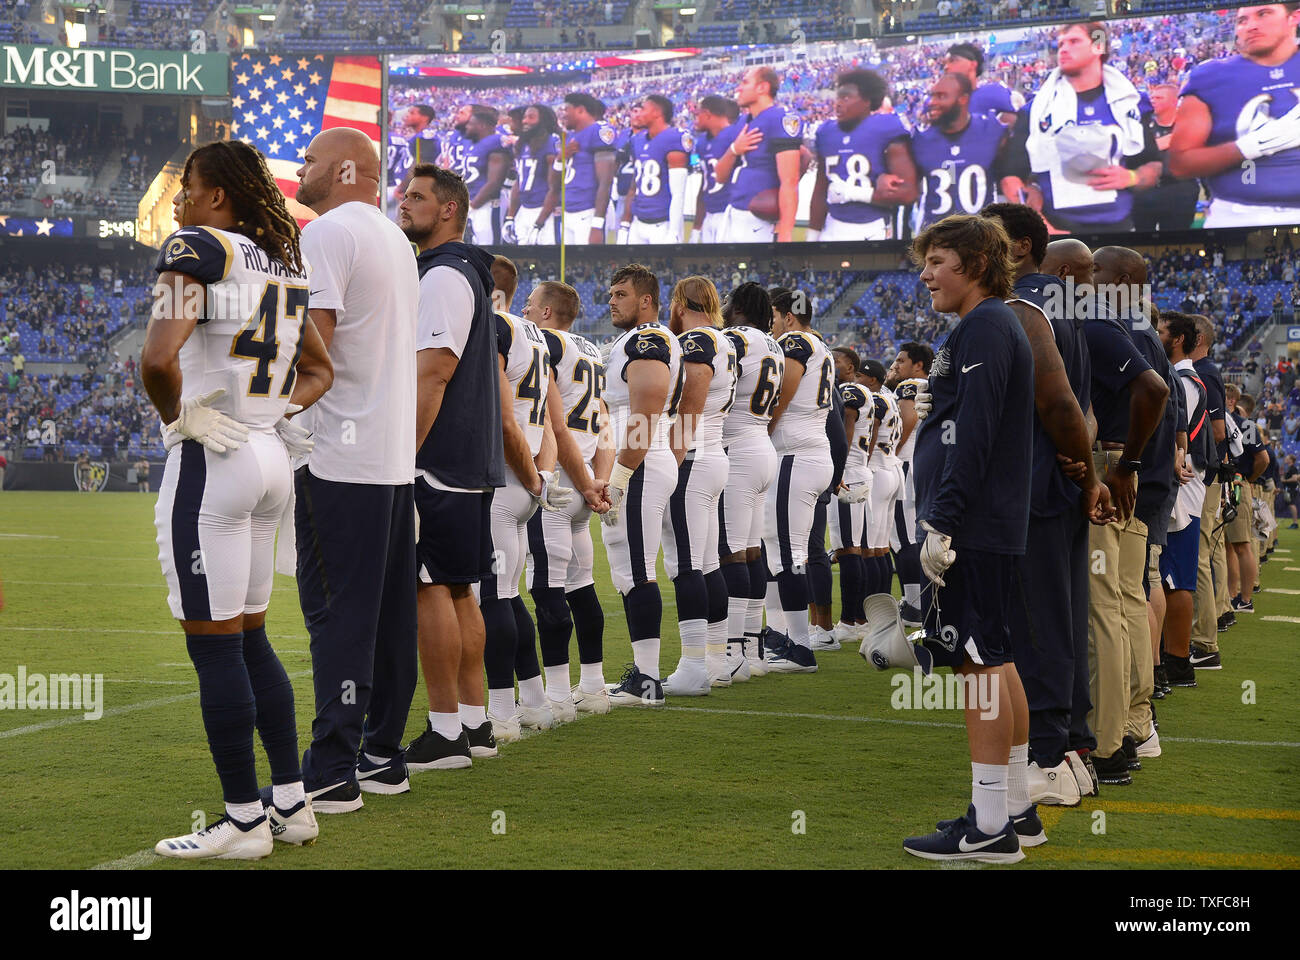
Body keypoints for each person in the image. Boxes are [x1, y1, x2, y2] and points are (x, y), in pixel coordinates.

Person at [143, 140, 334, 858]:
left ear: (216, 195)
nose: (179, 202)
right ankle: (291, 802)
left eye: (187, 186)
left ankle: (244, 820)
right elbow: (321, 369)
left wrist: (178, 414)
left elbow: (159, 358)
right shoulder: (283, 261)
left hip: (212, 458)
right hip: (265, 456)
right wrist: (275, 414)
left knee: (216, 648)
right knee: (251, 637)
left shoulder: (197, 244)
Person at [874, 214, 1037, 863]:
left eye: (936, 260)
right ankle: (1014, 810)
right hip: (986, 520)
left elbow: (972, 433)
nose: (924, 274)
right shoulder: (988, 326)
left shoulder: (985, 326)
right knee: (992, 657)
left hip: (974, 524)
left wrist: (943, 520)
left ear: (972, 262)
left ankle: (991, 824)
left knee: (979, 666)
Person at [289, 128, 421, 809]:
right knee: (389, 616)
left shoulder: (328, 234)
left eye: (309, 159)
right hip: (391, 458)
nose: (300, 169)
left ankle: (334, 769)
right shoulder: (394, 239)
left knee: (338, 616)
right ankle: (381, 753)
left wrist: (274, 413)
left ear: (345, 168)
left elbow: (317, 349)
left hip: (341, 454)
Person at [983, 212, 1107, 805]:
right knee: (1060, 617)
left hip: (1027, 489)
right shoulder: (1069, 312)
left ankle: (1049, 756)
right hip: (1054, 485)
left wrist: (1079, 464)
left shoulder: (1023, 309)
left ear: (1020, 247)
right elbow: (1082, 410)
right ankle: (1071, 749)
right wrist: (1083, 465)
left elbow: (1060, 405)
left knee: (1031, 626)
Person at [398, 164, 505, 766]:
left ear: (449, 209)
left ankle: (444, 732)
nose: (404, 204)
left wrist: (402, 453)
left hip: (436, 460)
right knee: (460, 588)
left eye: (416, 197)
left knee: (429, 586)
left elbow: (434, 370)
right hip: (467, 459)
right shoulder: (467, 273)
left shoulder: (442, 275)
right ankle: (474, 722)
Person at [480, 258, 575, 737]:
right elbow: (554, 423)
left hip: (502, 479)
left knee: (492, 599)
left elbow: (502, 417)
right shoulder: (535, 335)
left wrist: (529, 474)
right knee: (509, 595)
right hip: (526, 478)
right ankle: (535, 701)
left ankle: (501, 712)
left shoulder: (494, 327)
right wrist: (540, 474)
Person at [523, 281, 613, 714]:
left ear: (545, 313)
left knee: (547, 588)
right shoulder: (593, 350)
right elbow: (607, 425)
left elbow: (557, 427)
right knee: (582, 587)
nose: (524, 309)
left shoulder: (545, 345)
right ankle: (592, 686)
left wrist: (580, 481)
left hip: (559, 481)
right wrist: (600, 482)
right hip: (585, 480)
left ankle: (557, 695)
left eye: (530, 303)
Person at [598, 263, 682, 705]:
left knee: (637, 570)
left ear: (646, 300)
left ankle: (647, 682)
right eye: (611, 294)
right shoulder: (646, 341)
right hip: (649, 458)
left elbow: (646, 409)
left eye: (621, 294)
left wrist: (622, 471)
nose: (611, 300)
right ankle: (643, 676)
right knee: (629, 569)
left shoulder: (645, 339)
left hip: (640, 462)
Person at [1000, 21, 1162, 233]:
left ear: (1098, 46)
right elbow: (1011, 175)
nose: (1064, 49)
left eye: (1074, 41)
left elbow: (1152, 165)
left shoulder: (1128, 103)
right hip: (1057, 228)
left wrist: (1131, 177)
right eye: (1060, 44)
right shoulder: (1035, 110)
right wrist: (1040, 225)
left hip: (1117, 227)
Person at [659, 276, 738, 694]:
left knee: (686, 564)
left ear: (679, 303)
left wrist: (668, 464)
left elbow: (689, 411)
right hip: (713, 456)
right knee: (706, 563)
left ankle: (693, 667)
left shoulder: (698, 342)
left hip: (693, 457)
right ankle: (714, 660)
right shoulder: (722, 340)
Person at [1169, 4, 1300, 227]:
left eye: (1263, 14)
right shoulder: (1210, 75)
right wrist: (1250, 146)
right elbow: (1180, 163)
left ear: (1294, 17)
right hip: (1239, 214)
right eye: (1242, 20)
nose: (1251, 26)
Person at [761, 284, 834, 672]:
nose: (772, 325)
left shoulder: (795, 343)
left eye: (774, 317)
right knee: (779, 548)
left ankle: (801, 649)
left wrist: (760, 432)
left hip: (796, 454)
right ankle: (780, 637)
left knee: (789, 553)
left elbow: (781, 397)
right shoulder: (820, 345)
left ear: (788, 317)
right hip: (810, 451)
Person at [717, 283, 784, 676]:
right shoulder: (773, 345)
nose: (722, 307)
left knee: (731, 551)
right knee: (752, 549)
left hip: (737, 448)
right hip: (762, 445)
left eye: (727, 301)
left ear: (739, 306)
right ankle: (752, 648)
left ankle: (733, 651)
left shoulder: (735, 339)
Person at [1157, 311, 1211, 702]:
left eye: (1161, 331)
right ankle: (1173, 658)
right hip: (1185, 487)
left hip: (1181, 490)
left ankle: (1176, 660)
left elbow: (1176, 436)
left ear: (1176, 340)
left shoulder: (1184, 381)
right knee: (1171, 575)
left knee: (1175, 578)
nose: (1155, 335)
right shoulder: (1186, 378)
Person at [808, 69, 918, 242]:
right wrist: (812, 237)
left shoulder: (886, 128)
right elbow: (820, 190)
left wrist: (854, 193)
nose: (838, 104)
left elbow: (908, 193)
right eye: (838, 98)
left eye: (846, 98)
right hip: (832, 226)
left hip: (873, 228)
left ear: (867, 101)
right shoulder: (826, 132)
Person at [715, 67, 803, 243]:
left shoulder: (780, 118)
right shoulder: (742, 121)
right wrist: (734, 150)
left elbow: (790, 181)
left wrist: (785, 232)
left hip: (759, 220)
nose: (738, 88)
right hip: (733, 212)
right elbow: (720, 176)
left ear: (762, 88)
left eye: (745, 82)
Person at [912, 73, 1009, 229]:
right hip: (936, 235)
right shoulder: (921, 140)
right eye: (932, 96)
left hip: (980, 234)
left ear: (963, 99)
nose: (932, 102)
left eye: (941, 96)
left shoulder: (991, 129)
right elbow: (913, 191)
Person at [827, 346, 873, 644]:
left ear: (851, 366)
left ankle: (849, 620)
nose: (832, 362)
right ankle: (859, 618)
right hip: (858, 469)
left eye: (837, 359)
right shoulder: (861, 391)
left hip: (848, 472)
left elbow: (846, 430)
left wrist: (839, 469)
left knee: (847, 548)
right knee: (854, 547)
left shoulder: (851, 391)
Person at [618, 96, 690, 245]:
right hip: (638, 221)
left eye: (643, 109)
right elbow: (634, 186)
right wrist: (625, 224)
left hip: (663, 223)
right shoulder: (636, 140)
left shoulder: (674, 137)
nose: (638, 114)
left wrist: (674, 231)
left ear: (656, 112)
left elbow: (678, 194)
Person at [1132, 84, 1200, 231]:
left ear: (1174, 101)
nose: (1153, 101)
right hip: (1145, 193)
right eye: (1152, 97)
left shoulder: (1190, 125)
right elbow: (1130, 155)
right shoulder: (1140, 125)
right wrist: (1159, 144)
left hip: (1180, 192)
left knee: (1176, 240)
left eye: (1159, 98)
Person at [559, 93, 617, 245]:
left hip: (587, 212)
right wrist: (561, 157)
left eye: (566, 109)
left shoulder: (599, 131)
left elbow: (605, 181)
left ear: (580, 110)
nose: (563, 114)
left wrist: (597, 224)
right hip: (567, 211)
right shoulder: (571, 136)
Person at [504, 104, 560, 245]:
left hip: (546, 211)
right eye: (524, 117)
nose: (525, 121)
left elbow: (555, 187)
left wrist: (540, 222)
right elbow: (519, 181)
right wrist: (510, 217)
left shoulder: (551, 143)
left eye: (531, 117)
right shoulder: (523, 143)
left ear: (543, 120)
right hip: (524, 210)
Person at [691, 96, 741, 243]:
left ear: (707, 114)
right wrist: (696, 228)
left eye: (697, 114)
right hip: (709, 213)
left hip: (731, 213)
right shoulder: (701, 142)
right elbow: (704, 185)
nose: (695, 119)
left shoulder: (734, 134)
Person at [462, 106, 512, 245]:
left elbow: (494, 182)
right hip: (473, 203)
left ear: (482, 126)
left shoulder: (496, 141)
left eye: (471, 124)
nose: (467, 126)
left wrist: (473, 206)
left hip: (488, 204)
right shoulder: (474, 145)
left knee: (489, 250)